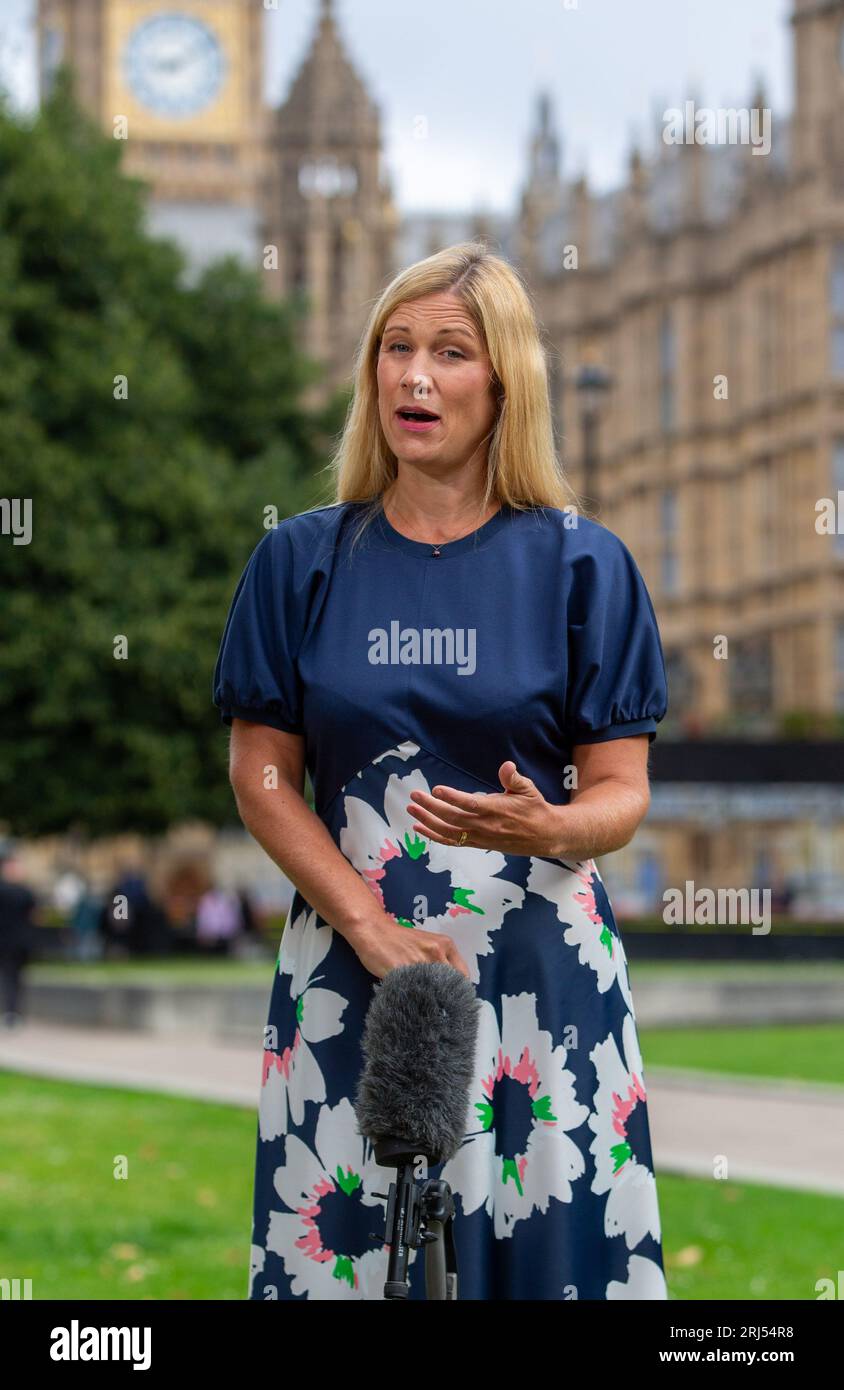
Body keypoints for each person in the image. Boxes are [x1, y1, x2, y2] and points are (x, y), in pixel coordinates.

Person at [213, 242, 670, 1301]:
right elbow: (261, 776)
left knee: (545, 1260)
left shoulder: (582, 563)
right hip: (352, 967)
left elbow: (621, 792)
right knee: (350, 1261)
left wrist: (551, 827)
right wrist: (368, 929)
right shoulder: (300, 561)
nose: (413, 375)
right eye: (395, 347)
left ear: (503, 382)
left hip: (536, 973)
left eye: (450, 352)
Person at [0, 842, 40, 1026]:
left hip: (8, 941)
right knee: (15, 977)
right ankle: (13, 1011)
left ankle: (11, 1011)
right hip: (19, 941)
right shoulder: (26, 892)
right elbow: (36, 916)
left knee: (10, 976)